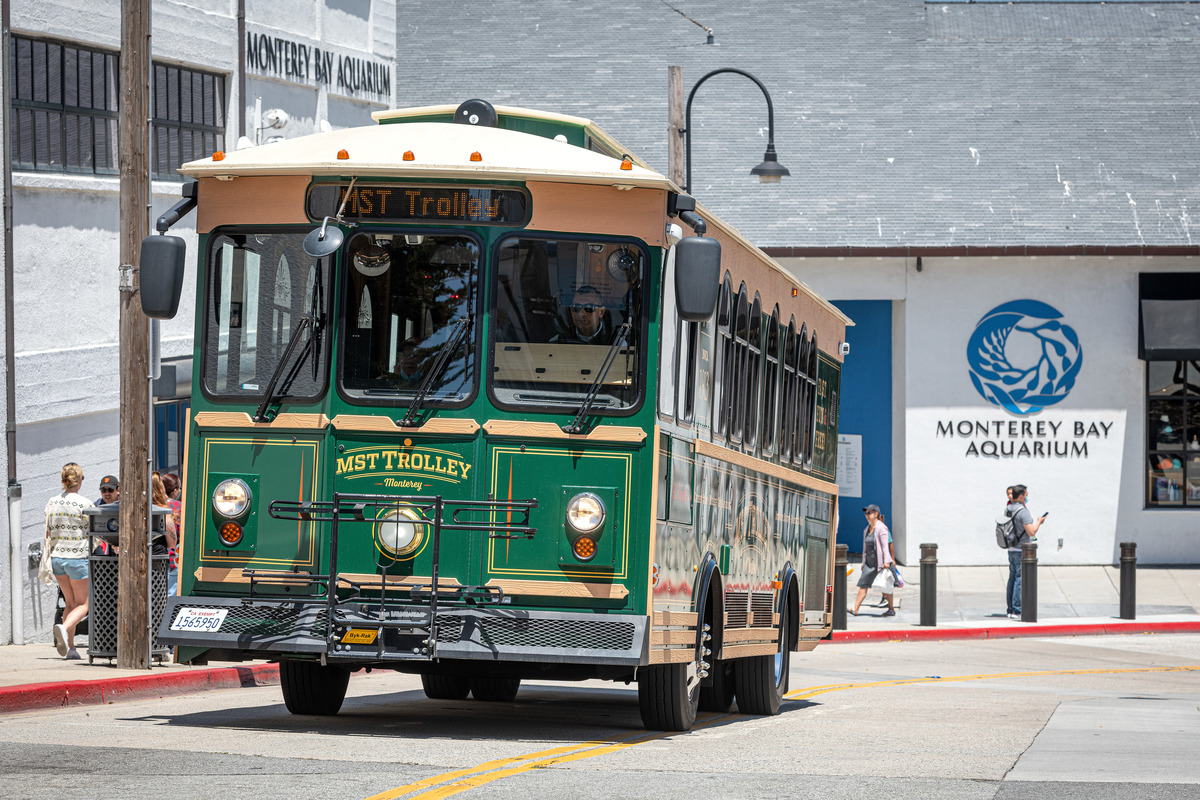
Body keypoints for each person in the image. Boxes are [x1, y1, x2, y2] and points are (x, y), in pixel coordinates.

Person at [46, 462, 93, 659]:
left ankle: (71, 649)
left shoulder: (52, 502)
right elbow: (95, 530)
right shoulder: (85, 504)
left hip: (57, 558)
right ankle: (64, 630)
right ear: (79, 480)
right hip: (77, 557)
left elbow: (48, 531)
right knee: (84, 605)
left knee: (70, 603)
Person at [1005, 484, 1047, 619]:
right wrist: (1039, 522)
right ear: (1021, 496)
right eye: (1026, 495)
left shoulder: (1008, 509)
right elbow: (1031, 532)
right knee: (1019, 578)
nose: (1027, 497)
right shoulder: (1023, 511)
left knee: (1012, 578)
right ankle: (1017, 610)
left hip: (1011, 547)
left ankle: (1010, 609)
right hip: (1021, 548)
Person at [851, 503, 895, 617]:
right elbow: (865, 548)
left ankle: (891, 609)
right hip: (869, 562)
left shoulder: (882, 528)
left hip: (880, 561)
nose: (867, 515)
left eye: (869, 513)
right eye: (866, 513)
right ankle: (855, 609)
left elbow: (885, 546)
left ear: (876, 514)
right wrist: (863, 562)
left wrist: (886, 561)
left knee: (885, 585)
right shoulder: (866, 529)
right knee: (863, 584)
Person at [152, 474, 180, 597]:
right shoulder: (177, 507)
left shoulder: (137, 509)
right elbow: (172, 543)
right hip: (170, 560)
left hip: (144, 561)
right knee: (167, 600)